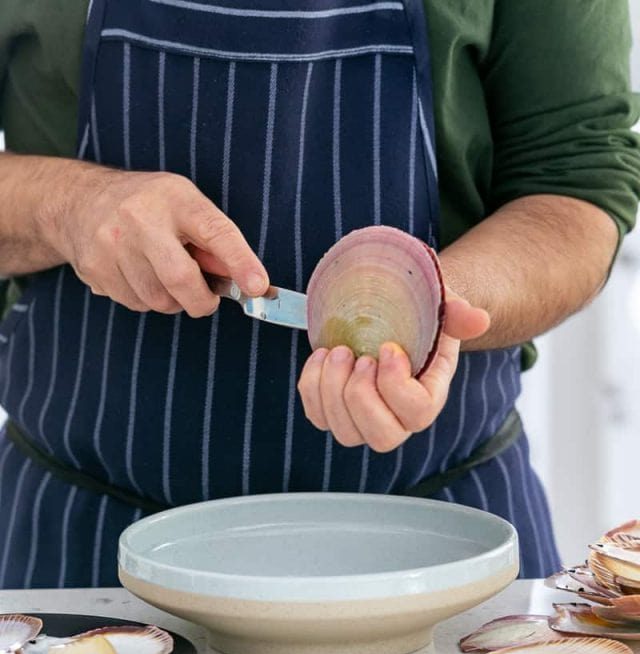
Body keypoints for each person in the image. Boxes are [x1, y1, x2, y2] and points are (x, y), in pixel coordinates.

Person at [0, 0, 638, 589]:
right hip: (78, 552)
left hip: (443, 549)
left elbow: (574, 180)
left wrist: (432, 310)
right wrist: (69, 208)